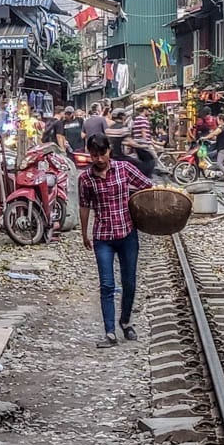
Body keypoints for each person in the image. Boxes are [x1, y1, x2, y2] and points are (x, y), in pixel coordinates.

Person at [79, 134, 153, 349]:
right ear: (90, 154)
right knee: (107, 285)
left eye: (102, 154)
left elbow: (148, 186)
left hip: (127, 234)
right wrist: (84, 233)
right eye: (94, 155)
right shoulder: (85, 179)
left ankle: (126, 321)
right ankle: (110, 332)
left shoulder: (124, 168)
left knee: (129, 282)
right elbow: (84, 206)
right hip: (103, 237)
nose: (99, 159)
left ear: (109, 151)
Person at [201, 112, 224, 185]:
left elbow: (214, 133)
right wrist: (211, 140)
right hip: (221, 147)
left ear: (221, 120)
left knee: (219, 163)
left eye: (217, 119)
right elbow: (217, 136)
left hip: (223, 148)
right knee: (209, 155)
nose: (217, 121)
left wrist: (205, 138)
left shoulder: (221, 127)